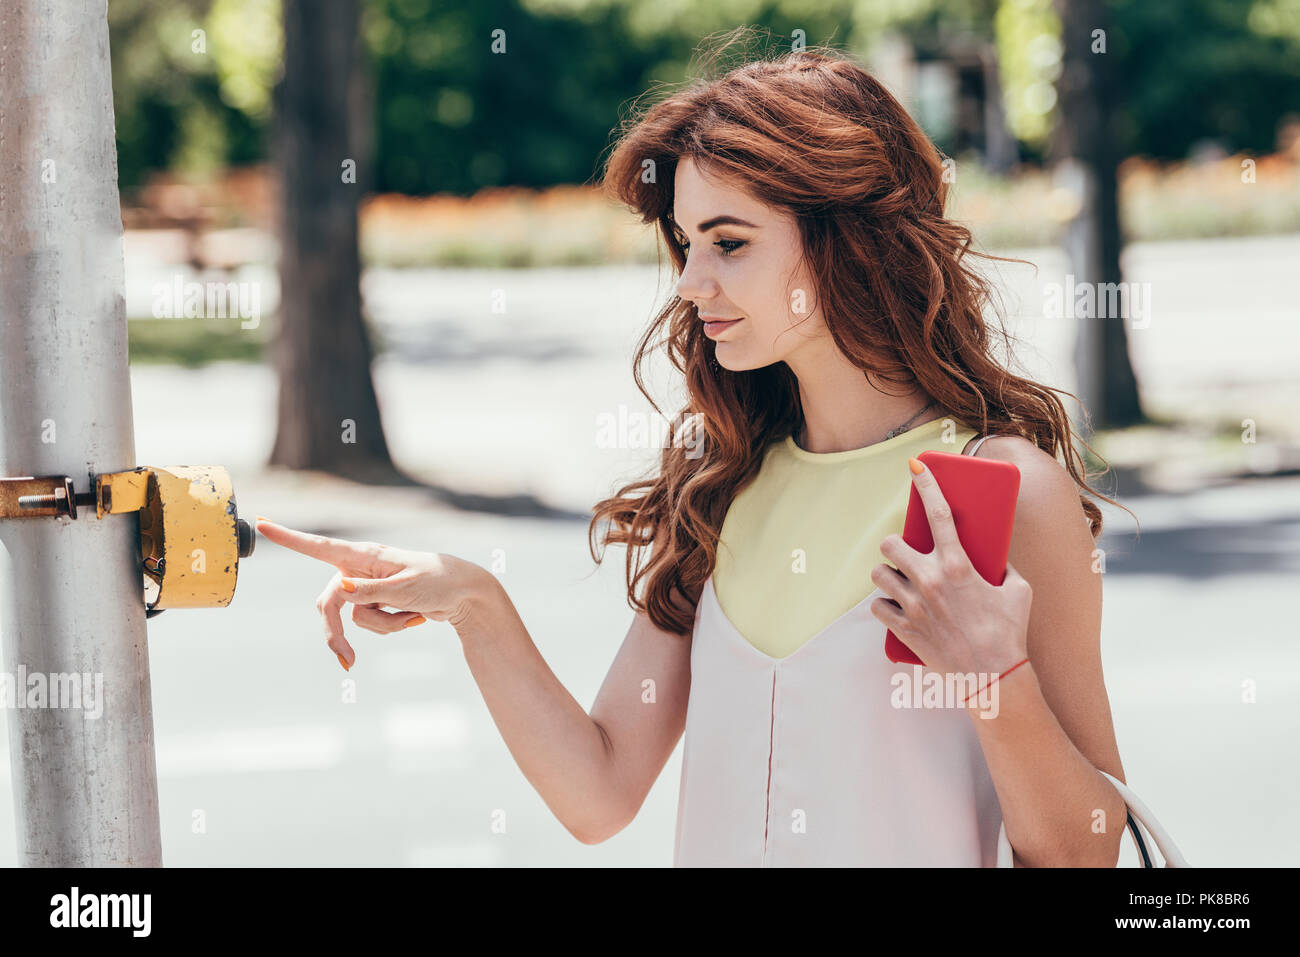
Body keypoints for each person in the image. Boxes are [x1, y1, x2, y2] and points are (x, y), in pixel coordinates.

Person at [258, 43, 1137, 867]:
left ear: (846, 240)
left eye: (729, 241)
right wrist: (473, 601)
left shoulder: (998, 490)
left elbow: (1088, 848)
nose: (689, 281)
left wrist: (993, 676)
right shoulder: (726, 487)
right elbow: (598, 791)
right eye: (686, 242)